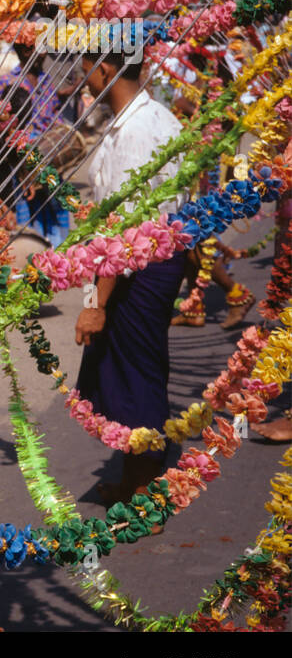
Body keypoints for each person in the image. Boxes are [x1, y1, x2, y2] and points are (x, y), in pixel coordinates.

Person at [74, 48, 188, 506]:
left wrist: (96, 304)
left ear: (106, 70)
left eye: (87, 73)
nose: (85, 84)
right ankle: (134, 475)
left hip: (138, 269)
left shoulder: (137, 129)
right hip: (146, 262)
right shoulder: (153, 116)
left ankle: (146, 493)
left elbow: (124, 227)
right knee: (124, 372)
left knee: (136, 376)